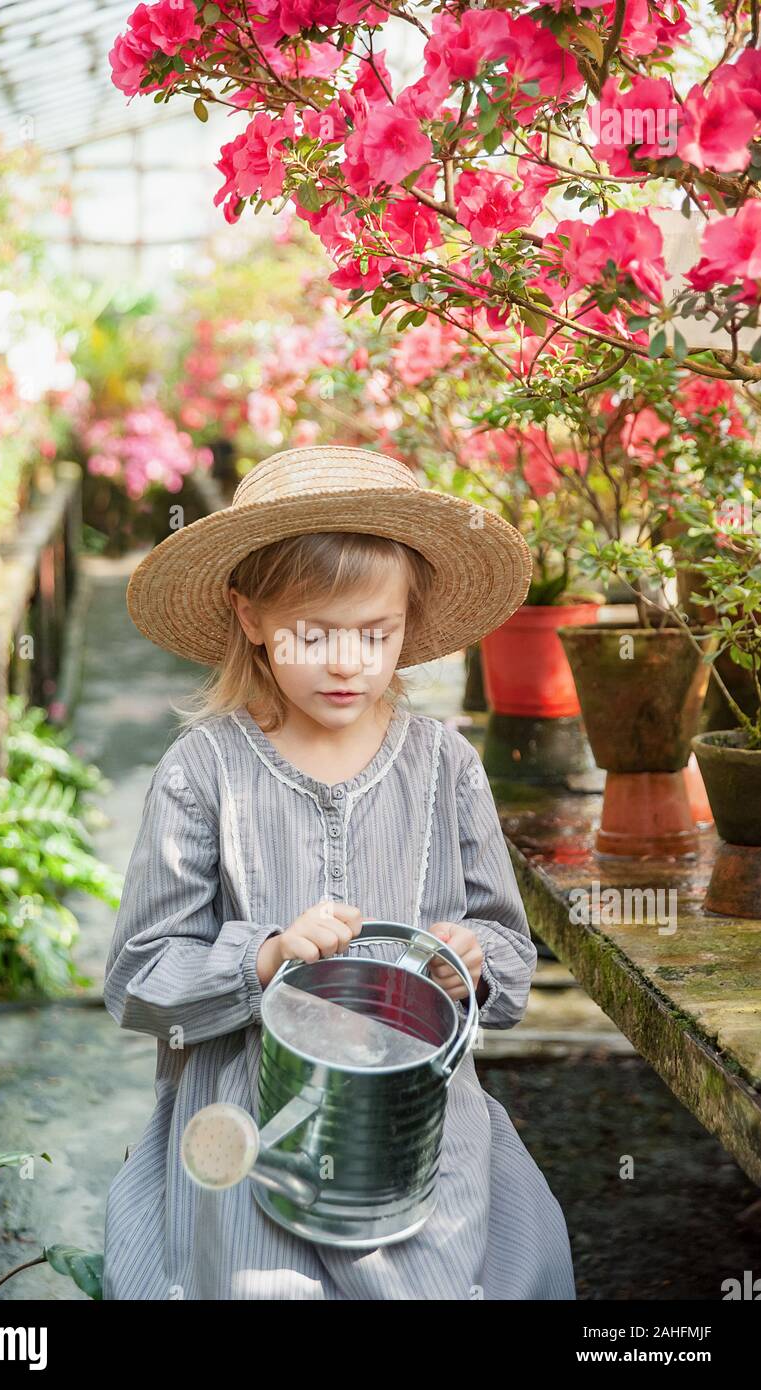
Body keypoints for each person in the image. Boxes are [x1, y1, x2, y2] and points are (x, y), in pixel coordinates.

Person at [102, 443, 576, 1300]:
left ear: (409, 621)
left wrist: (467, 959)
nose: (348, 661)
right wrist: (266, 956)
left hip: (414, 1123)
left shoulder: (443, 764)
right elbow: (139, 978)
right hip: (252, 1122)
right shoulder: (204, 769)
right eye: (314, 632)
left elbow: (506, 958)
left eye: (376, 633)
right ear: (251, 618)